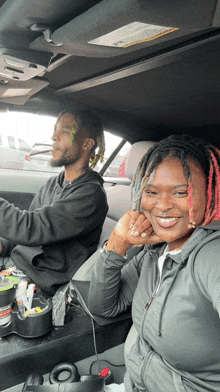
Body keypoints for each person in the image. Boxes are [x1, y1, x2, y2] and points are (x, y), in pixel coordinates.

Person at [88, 134, 220, 392]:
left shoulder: (210, 254)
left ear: (211, 193)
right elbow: (102, 306)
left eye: (181, 192)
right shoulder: (154, 252)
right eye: (151, 192)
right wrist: (119, 241)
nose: (162, 205)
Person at [0, 109, 108, 296]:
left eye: (65, 131)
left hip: (36, 280)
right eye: (56, 130)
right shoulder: (54, 183)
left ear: (87, 144)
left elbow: (31, 228)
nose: (54, 137)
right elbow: (25, 229)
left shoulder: (90, 194)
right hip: (14, 264)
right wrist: (3, 245)